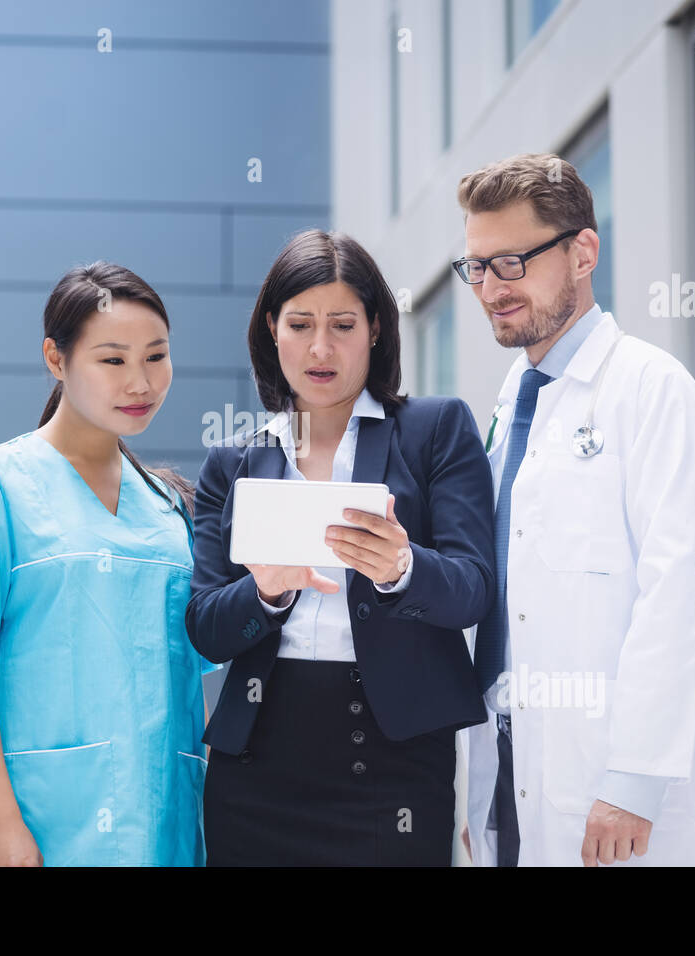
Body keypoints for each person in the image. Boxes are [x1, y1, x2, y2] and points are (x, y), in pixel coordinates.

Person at [187, 229, 496, 866]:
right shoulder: (234, 462)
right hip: (258, 761)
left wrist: (403, 568)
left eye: (343, 324)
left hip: (394, 760)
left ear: (376, 327)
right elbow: (207, 629)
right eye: (299, 324)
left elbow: (474, 589)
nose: (320, 348)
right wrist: (265, 592)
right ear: (271, 328)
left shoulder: (435, 431)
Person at [457, 153, 695, 867]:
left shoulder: (651, 388)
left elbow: (680, 591)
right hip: (510, 769)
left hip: (615, 788)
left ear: (583, 252)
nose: (490, 288)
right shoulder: (508, 404)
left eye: (511, 262)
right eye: (476, 268)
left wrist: (633, 781)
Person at [0, 262, 213, 867]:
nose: (141, 383)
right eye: (113, 360)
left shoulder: (169, 507)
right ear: (56, 359)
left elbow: (198, 650)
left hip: (167, 819)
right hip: (45, 822)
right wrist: (1, 821)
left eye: (156, 357)